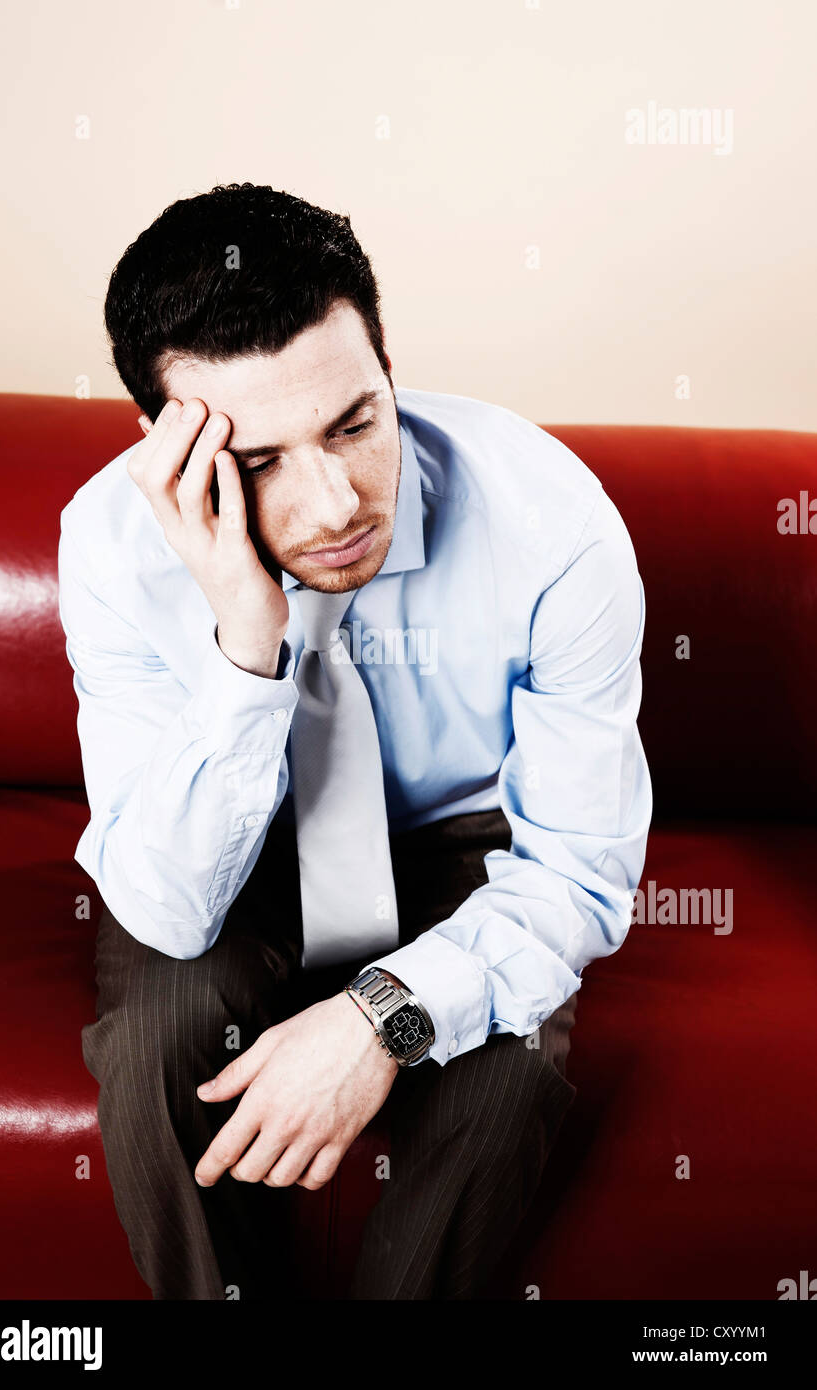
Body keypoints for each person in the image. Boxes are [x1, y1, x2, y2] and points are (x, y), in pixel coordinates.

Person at [57, 181, 652, 1301]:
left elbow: (575, 870)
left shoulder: (549, 517)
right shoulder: (108, 545)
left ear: (386, 366)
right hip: (236, 845)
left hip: (456, 839)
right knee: (154, 1047)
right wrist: (246, 636)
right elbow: (170, 906)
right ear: (166, 448)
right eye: (260, 458)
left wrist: (383, 1016)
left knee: (505, 1078)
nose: (333, 505)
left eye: (353, 424)